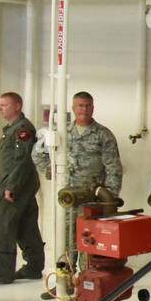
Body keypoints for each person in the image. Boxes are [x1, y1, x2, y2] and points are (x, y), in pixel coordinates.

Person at [31, 91, 122, 272]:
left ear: (93, 108)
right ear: (73, 108)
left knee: (90, 242)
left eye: (88, 106)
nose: (84, 109)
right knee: (65, 242)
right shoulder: (63, 133)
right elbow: (37, 154)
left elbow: (114, 168)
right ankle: (64, 282)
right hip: (68, 199)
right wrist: (52, 173)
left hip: (93, 200)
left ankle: (86, 280)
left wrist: (110, 198)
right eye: (80, 106)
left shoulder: (103, 135)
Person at [0, 92, 45, 285]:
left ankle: (1, 272)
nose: (0, 109)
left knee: (1, 226)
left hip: (17, 185)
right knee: (26, 225)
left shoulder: (22, 129)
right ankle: (33, 267)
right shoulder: (12, 128)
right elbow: (6, 162)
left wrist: (11, 186)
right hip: (13, 184)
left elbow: (23, 161)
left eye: (4, 105)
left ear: (17, 106)